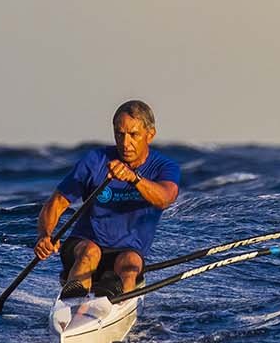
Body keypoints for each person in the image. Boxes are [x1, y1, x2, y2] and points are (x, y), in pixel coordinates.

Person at [34, 100, 180, 298]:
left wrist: (134, 178)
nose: (125, 143)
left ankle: (114, 300)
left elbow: (165, 198)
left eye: (133, 135)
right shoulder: (95, 160)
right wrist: (44, 235)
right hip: (82, 246)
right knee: (90, 252)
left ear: (150, 135)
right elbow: (57, 202)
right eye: (120, 134)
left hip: (127, 252)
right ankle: (74, 304)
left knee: (130, 263)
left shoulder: (164, 167)